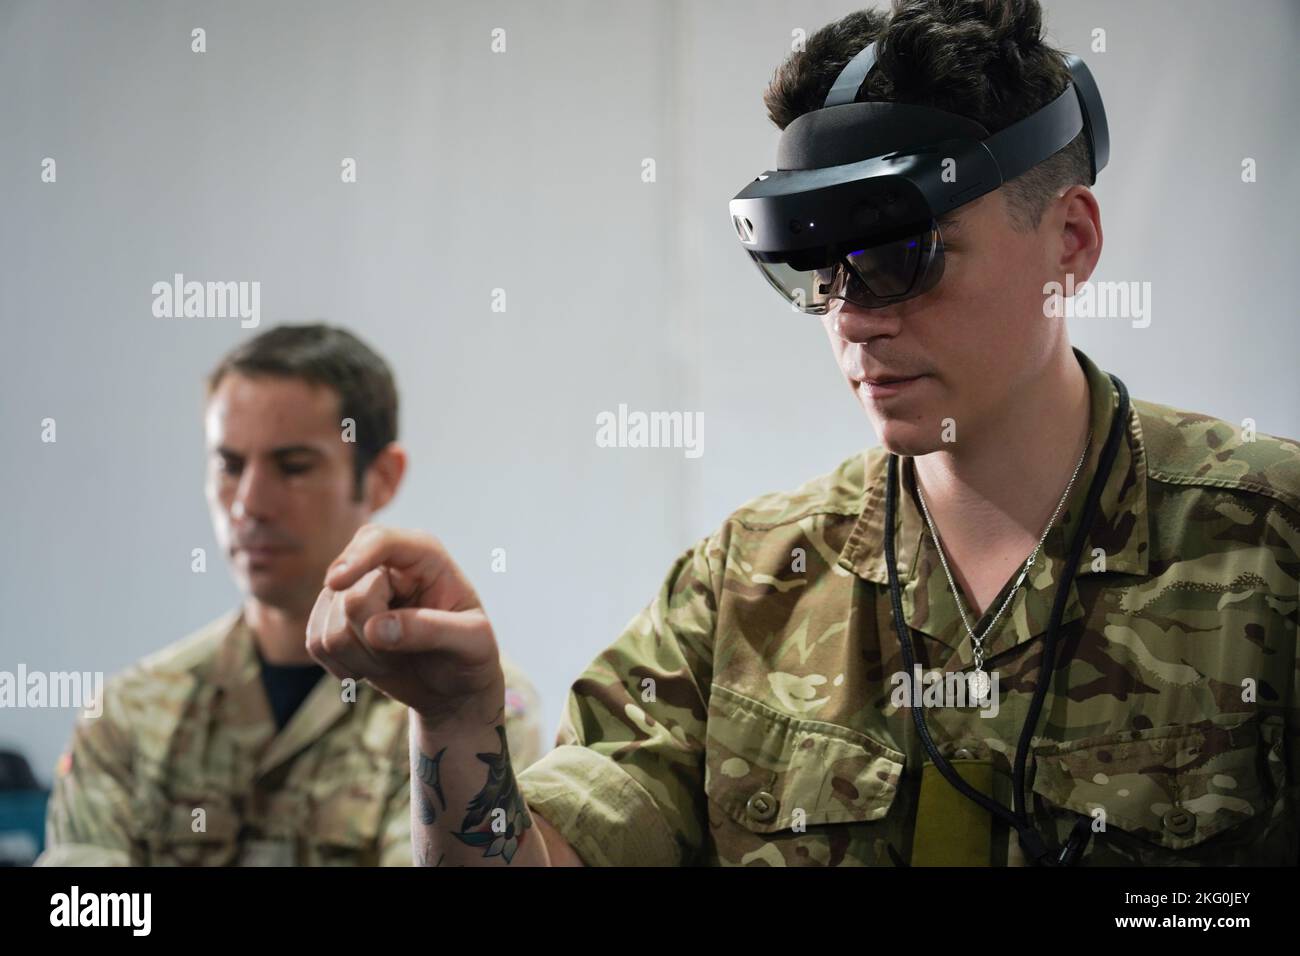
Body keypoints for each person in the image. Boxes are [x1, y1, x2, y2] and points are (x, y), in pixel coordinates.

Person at [306, 1, 1298, 866]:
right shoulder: (746, 588)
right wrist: (455, 717)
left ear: (1069, 244)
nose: (854, 317)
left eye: (905, 258)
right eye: (820, 274)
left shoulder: (1269, 545)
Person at [37, 324, 543, 866]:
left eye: (293, 466)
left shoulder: (458, 706)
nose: (248, 503)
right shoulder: (130, 716)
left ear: (381, 477)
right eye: (229, 465)